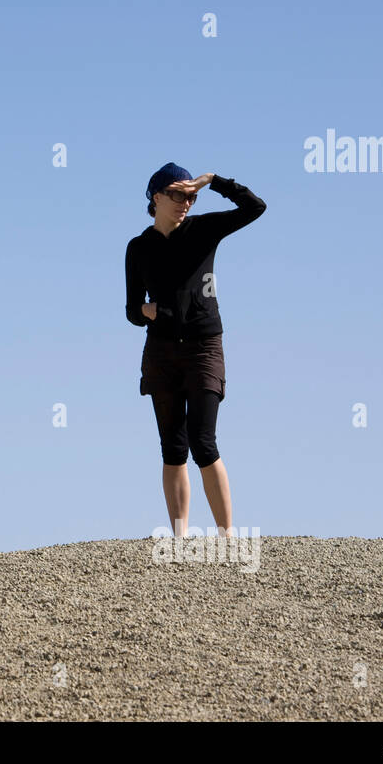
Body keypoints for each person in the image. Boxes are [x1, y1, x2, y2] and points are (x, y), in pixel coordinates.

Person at [124, 162, 266, 538]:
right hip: (162, 352)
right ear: (156, 197)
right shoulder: (139, 248)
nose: (186, 202)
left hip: (204, 346)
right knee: (173, 447)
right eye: (178, 195)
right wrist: (145, 310)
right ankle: (181, 538)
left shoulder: (203, 230)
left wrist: (214, 181)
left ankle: (226, 536)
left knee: (203, 442)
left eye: (191, 196)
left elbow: (255, 207)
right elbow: (130, 309)